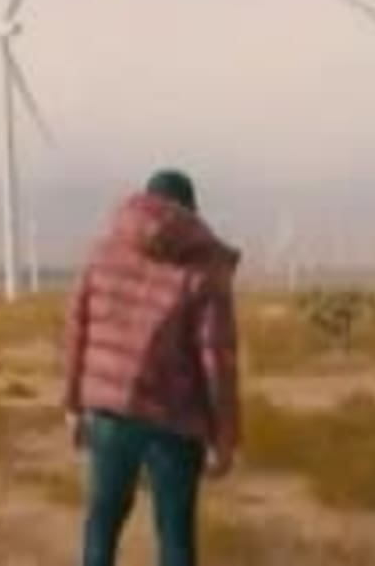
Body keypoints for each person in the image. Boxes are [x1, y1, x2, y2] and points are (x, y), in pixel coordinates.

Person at [60, 168, 243, 566]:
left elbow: (77, 330)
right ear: (191, 212)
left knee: (101, 526)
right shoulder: (203, 269)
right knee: (175, 537)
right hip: (176, 420)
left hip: (109, 412)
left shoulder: (103, 253)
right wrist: (224, 436)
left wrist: (73, 403)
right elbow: (217, 359)